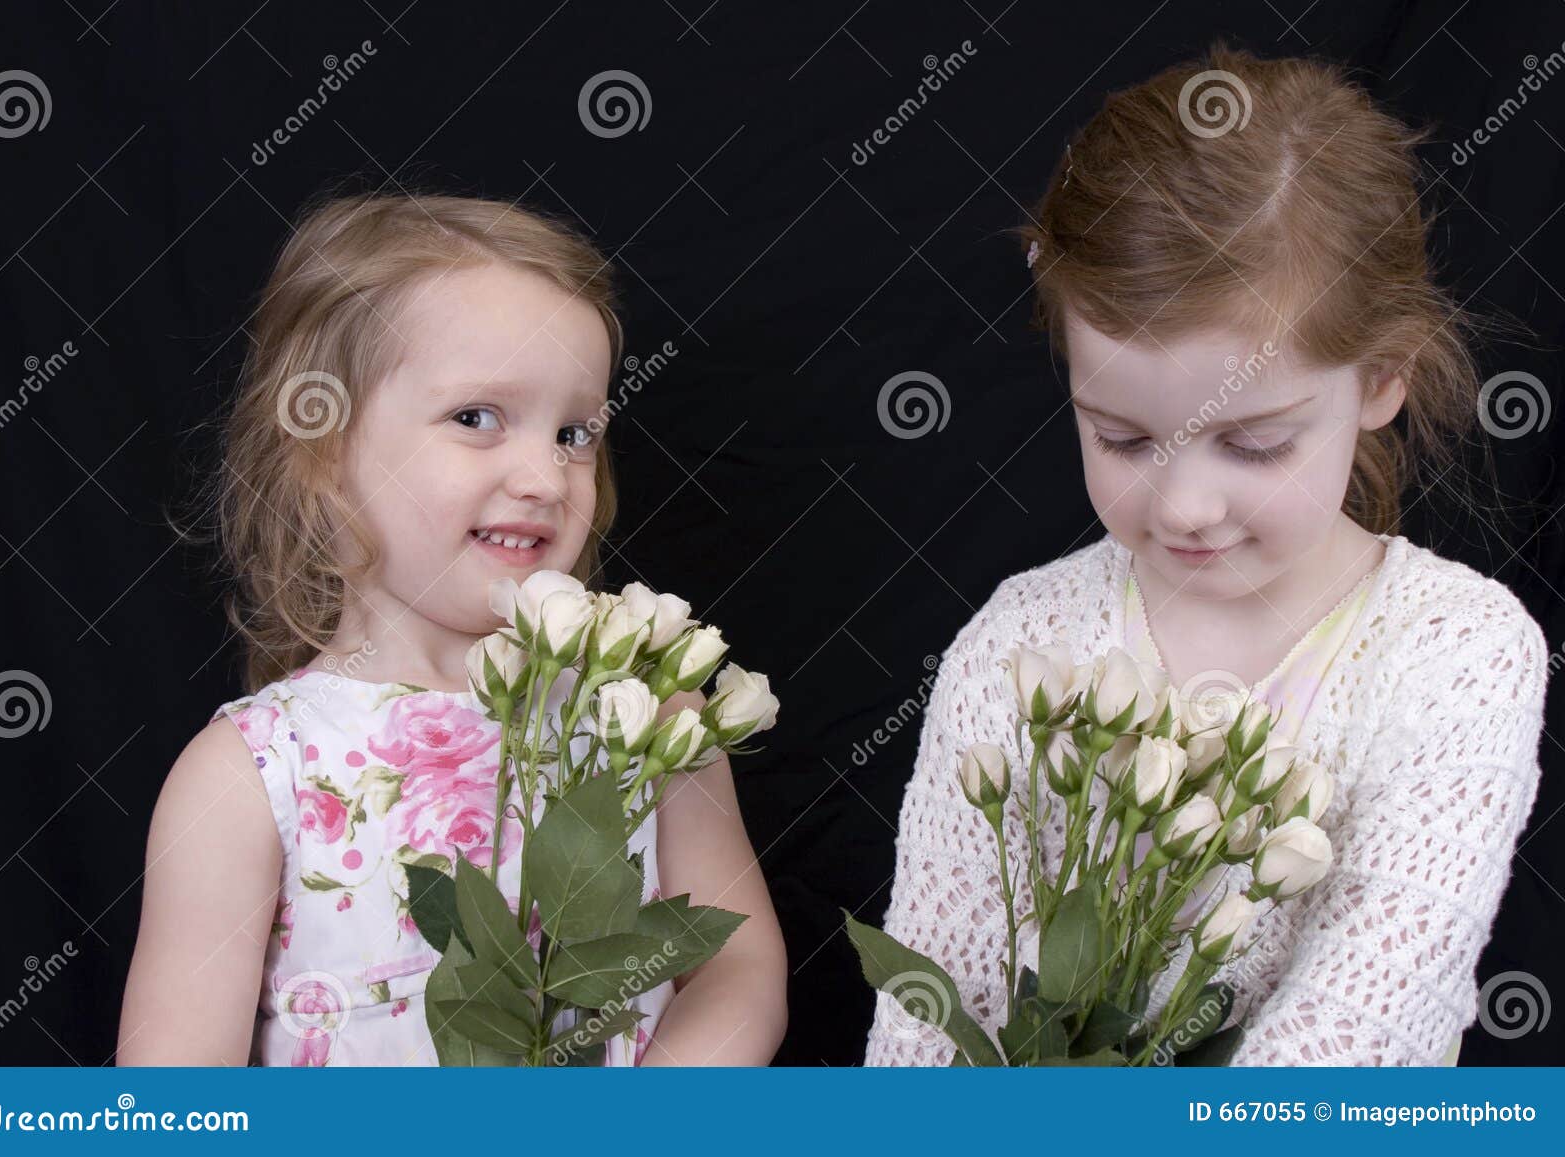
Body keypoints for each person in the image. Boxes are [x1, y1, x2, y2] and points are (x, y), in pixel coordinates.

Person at [865, 42, 1550, 1066]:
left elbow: (1363, 1028)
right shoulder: (1024, 642)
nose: (1183, 504)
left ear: (1379, 380)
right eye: (1123, 437)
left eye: (1254, 442)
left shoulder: (1458, 651)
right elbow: (931, 1006)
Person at [119, 191, 787, 1066]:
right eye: (477, 418)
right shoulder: (251, 775)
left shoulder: (648, 712)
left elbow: (737, 965)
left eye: (574, 432)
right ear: (323, 451)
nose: (546, 476)